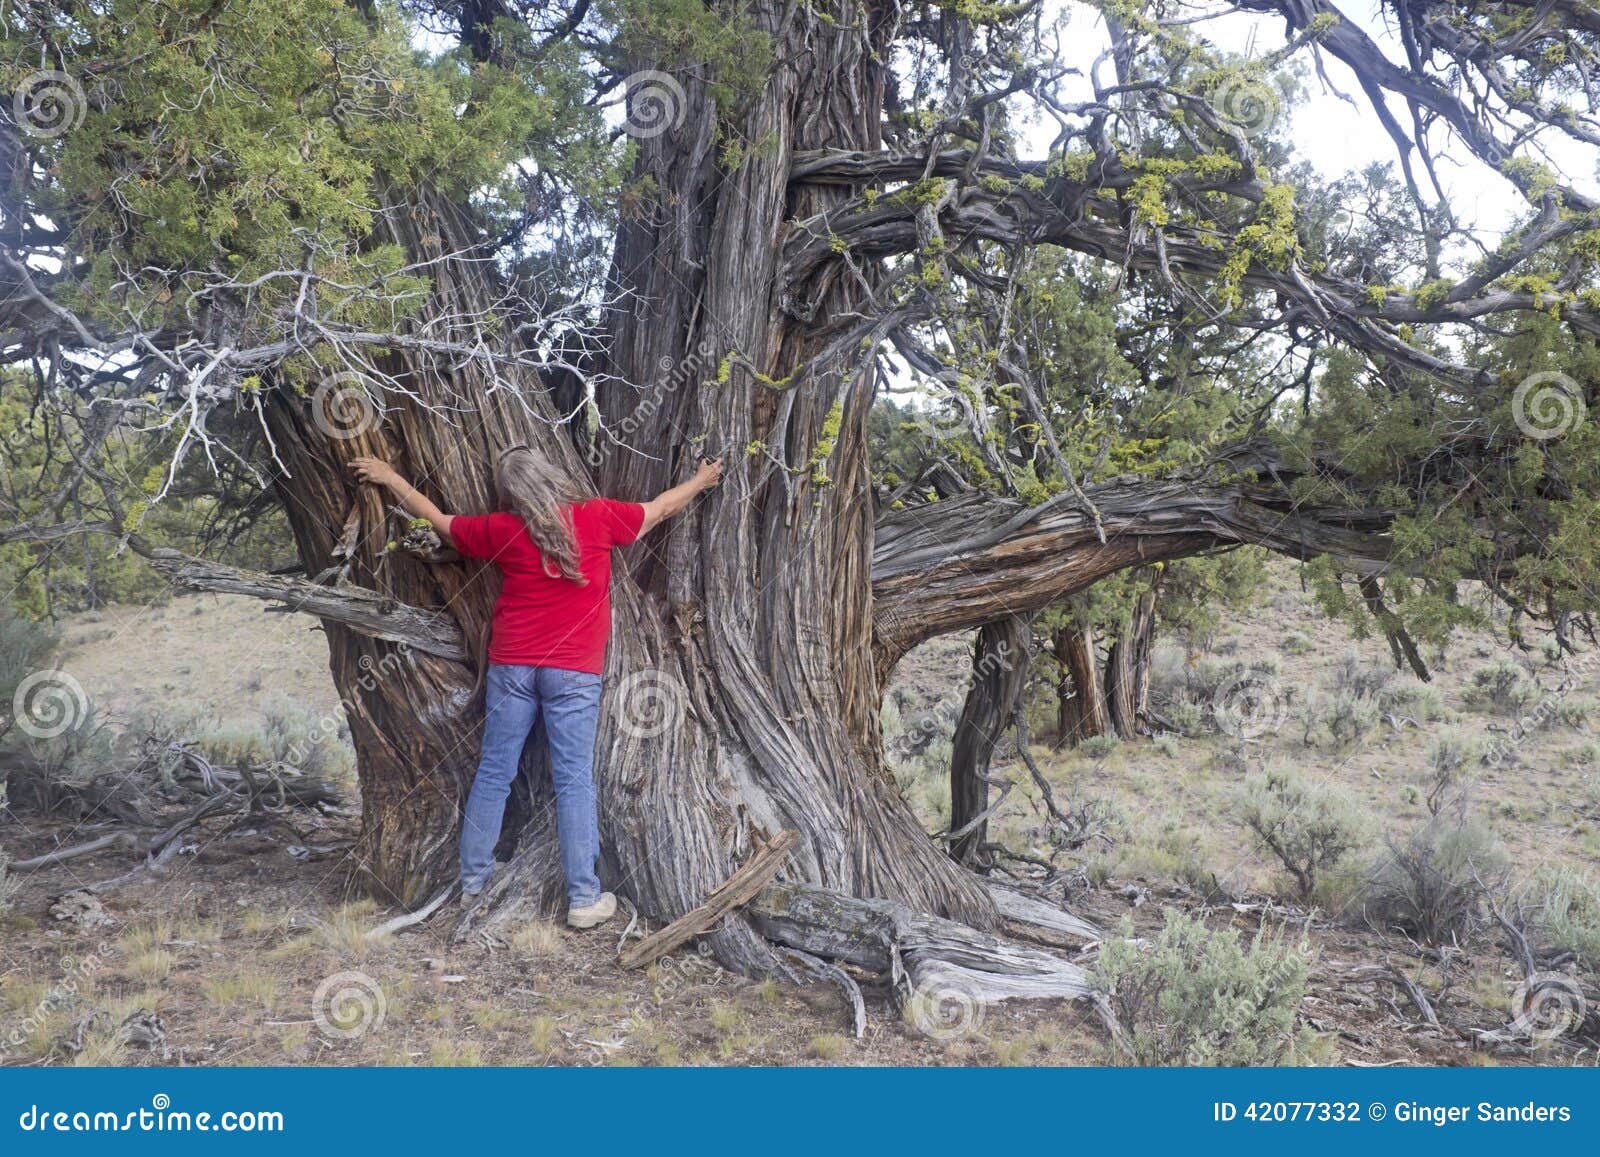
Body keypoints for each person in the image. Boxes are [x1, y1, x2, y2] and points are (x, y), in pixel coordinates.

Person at [351, 446, 724, 929]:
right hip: (573, 673)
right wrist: (700, 480)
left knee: (493, 772)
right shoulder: (598, 518)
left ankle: (475, 883)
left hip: (512, 667)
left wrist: (387, 475)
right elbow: (661, 508)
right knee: (573, 780)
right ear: (552, 477)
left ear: (512, 494)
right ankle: (584, 898)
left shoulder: (504, 530)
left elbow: (439, 521)